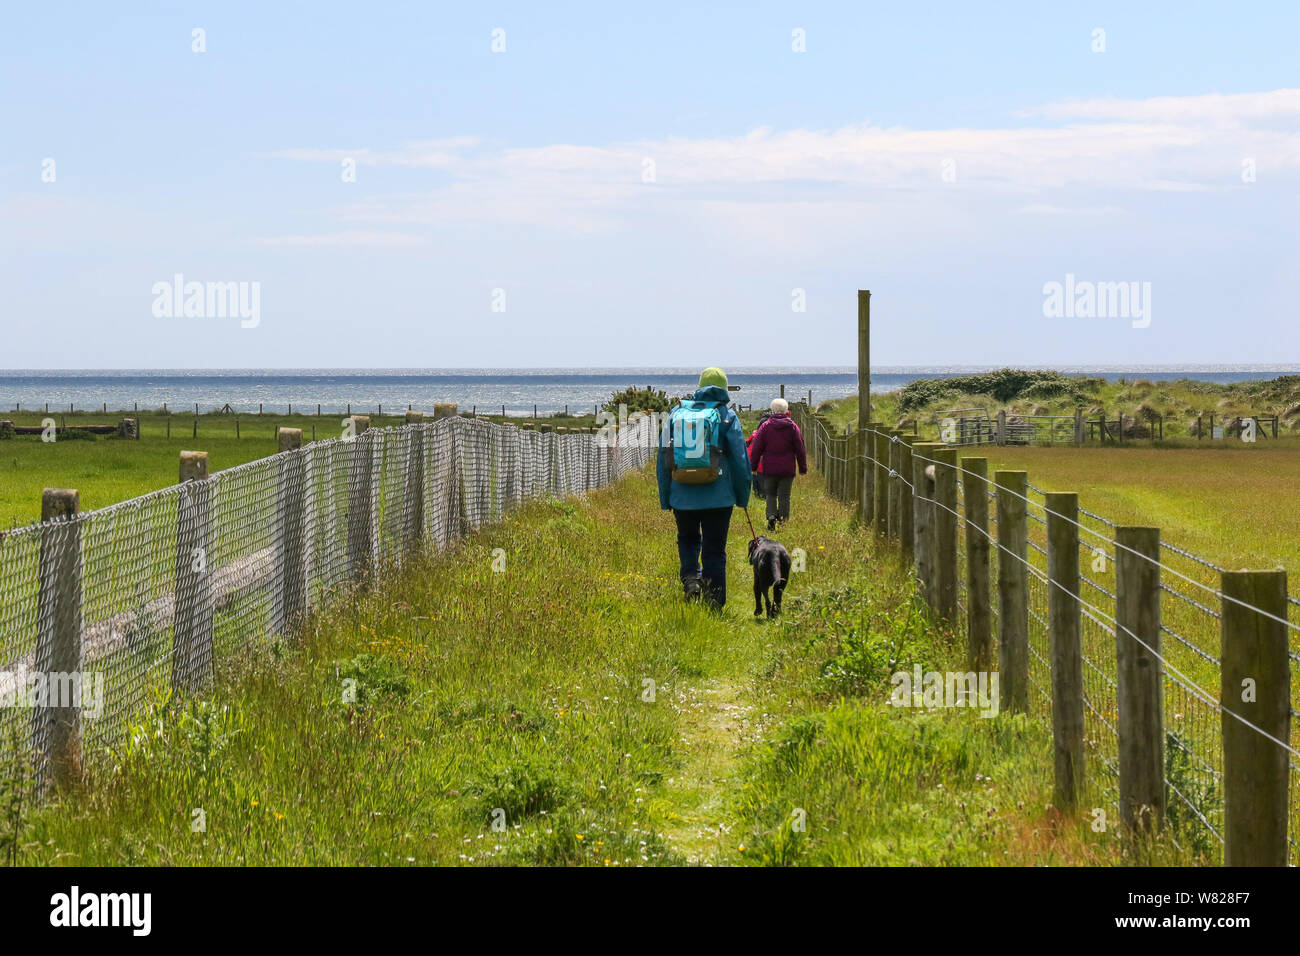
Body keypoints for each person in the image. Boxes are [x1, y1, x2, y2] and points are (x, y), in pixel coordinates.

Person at [657, 367, 752, 609]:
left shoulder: (676, 413)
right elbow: (741, 460)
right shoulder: (727, 416)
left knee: (687, 540)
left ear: (699, 386)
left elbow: (663, 458)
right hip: (719, 497)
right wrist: (742, 496)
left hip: (682, 493)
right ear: (724, 387)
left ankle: (691, 580)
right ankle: (715, 603)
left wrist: (666, 497)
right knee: (715, 549)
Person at [747, 397, 807, 530]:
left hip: (770, 469)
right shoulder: (793, 427)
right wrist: (802, 467)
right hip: (787, 469)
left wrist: (753, 466)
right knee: (785, 496)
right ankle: (783, 521)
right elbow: (800, 448)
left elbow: (757, 448)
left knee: (771, 494)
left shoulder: (765, 426)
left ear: (773, 410)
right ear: (786, 410)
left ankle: (771, 517)